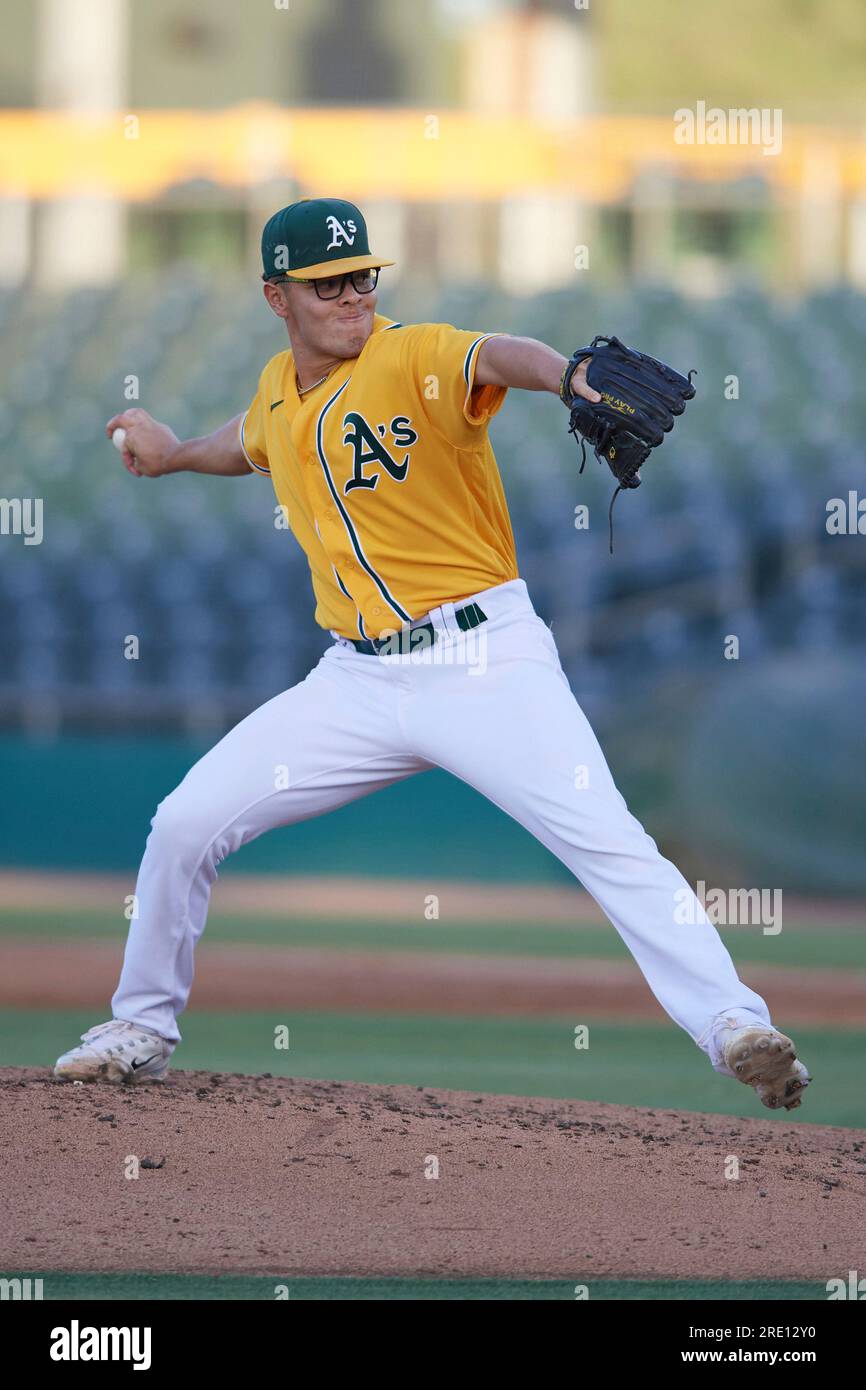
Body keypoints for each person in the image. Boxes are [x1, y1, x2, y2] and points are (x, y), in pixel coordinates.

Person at [54, 197, 811, 1112]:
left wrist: (569, 374)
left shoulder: (409, 355)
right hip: (356, 679)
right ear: (276, 297)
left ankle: (735, 1025)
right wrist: (173, 454)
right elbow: (251, 443)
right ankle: (140, 1028)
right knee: (183, 823)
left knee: (608, 841)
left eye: (362, 276)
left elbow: (496, 354)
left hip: (484, 659)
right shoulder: (275, 392)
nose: (350, 294)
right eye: (327, 281)